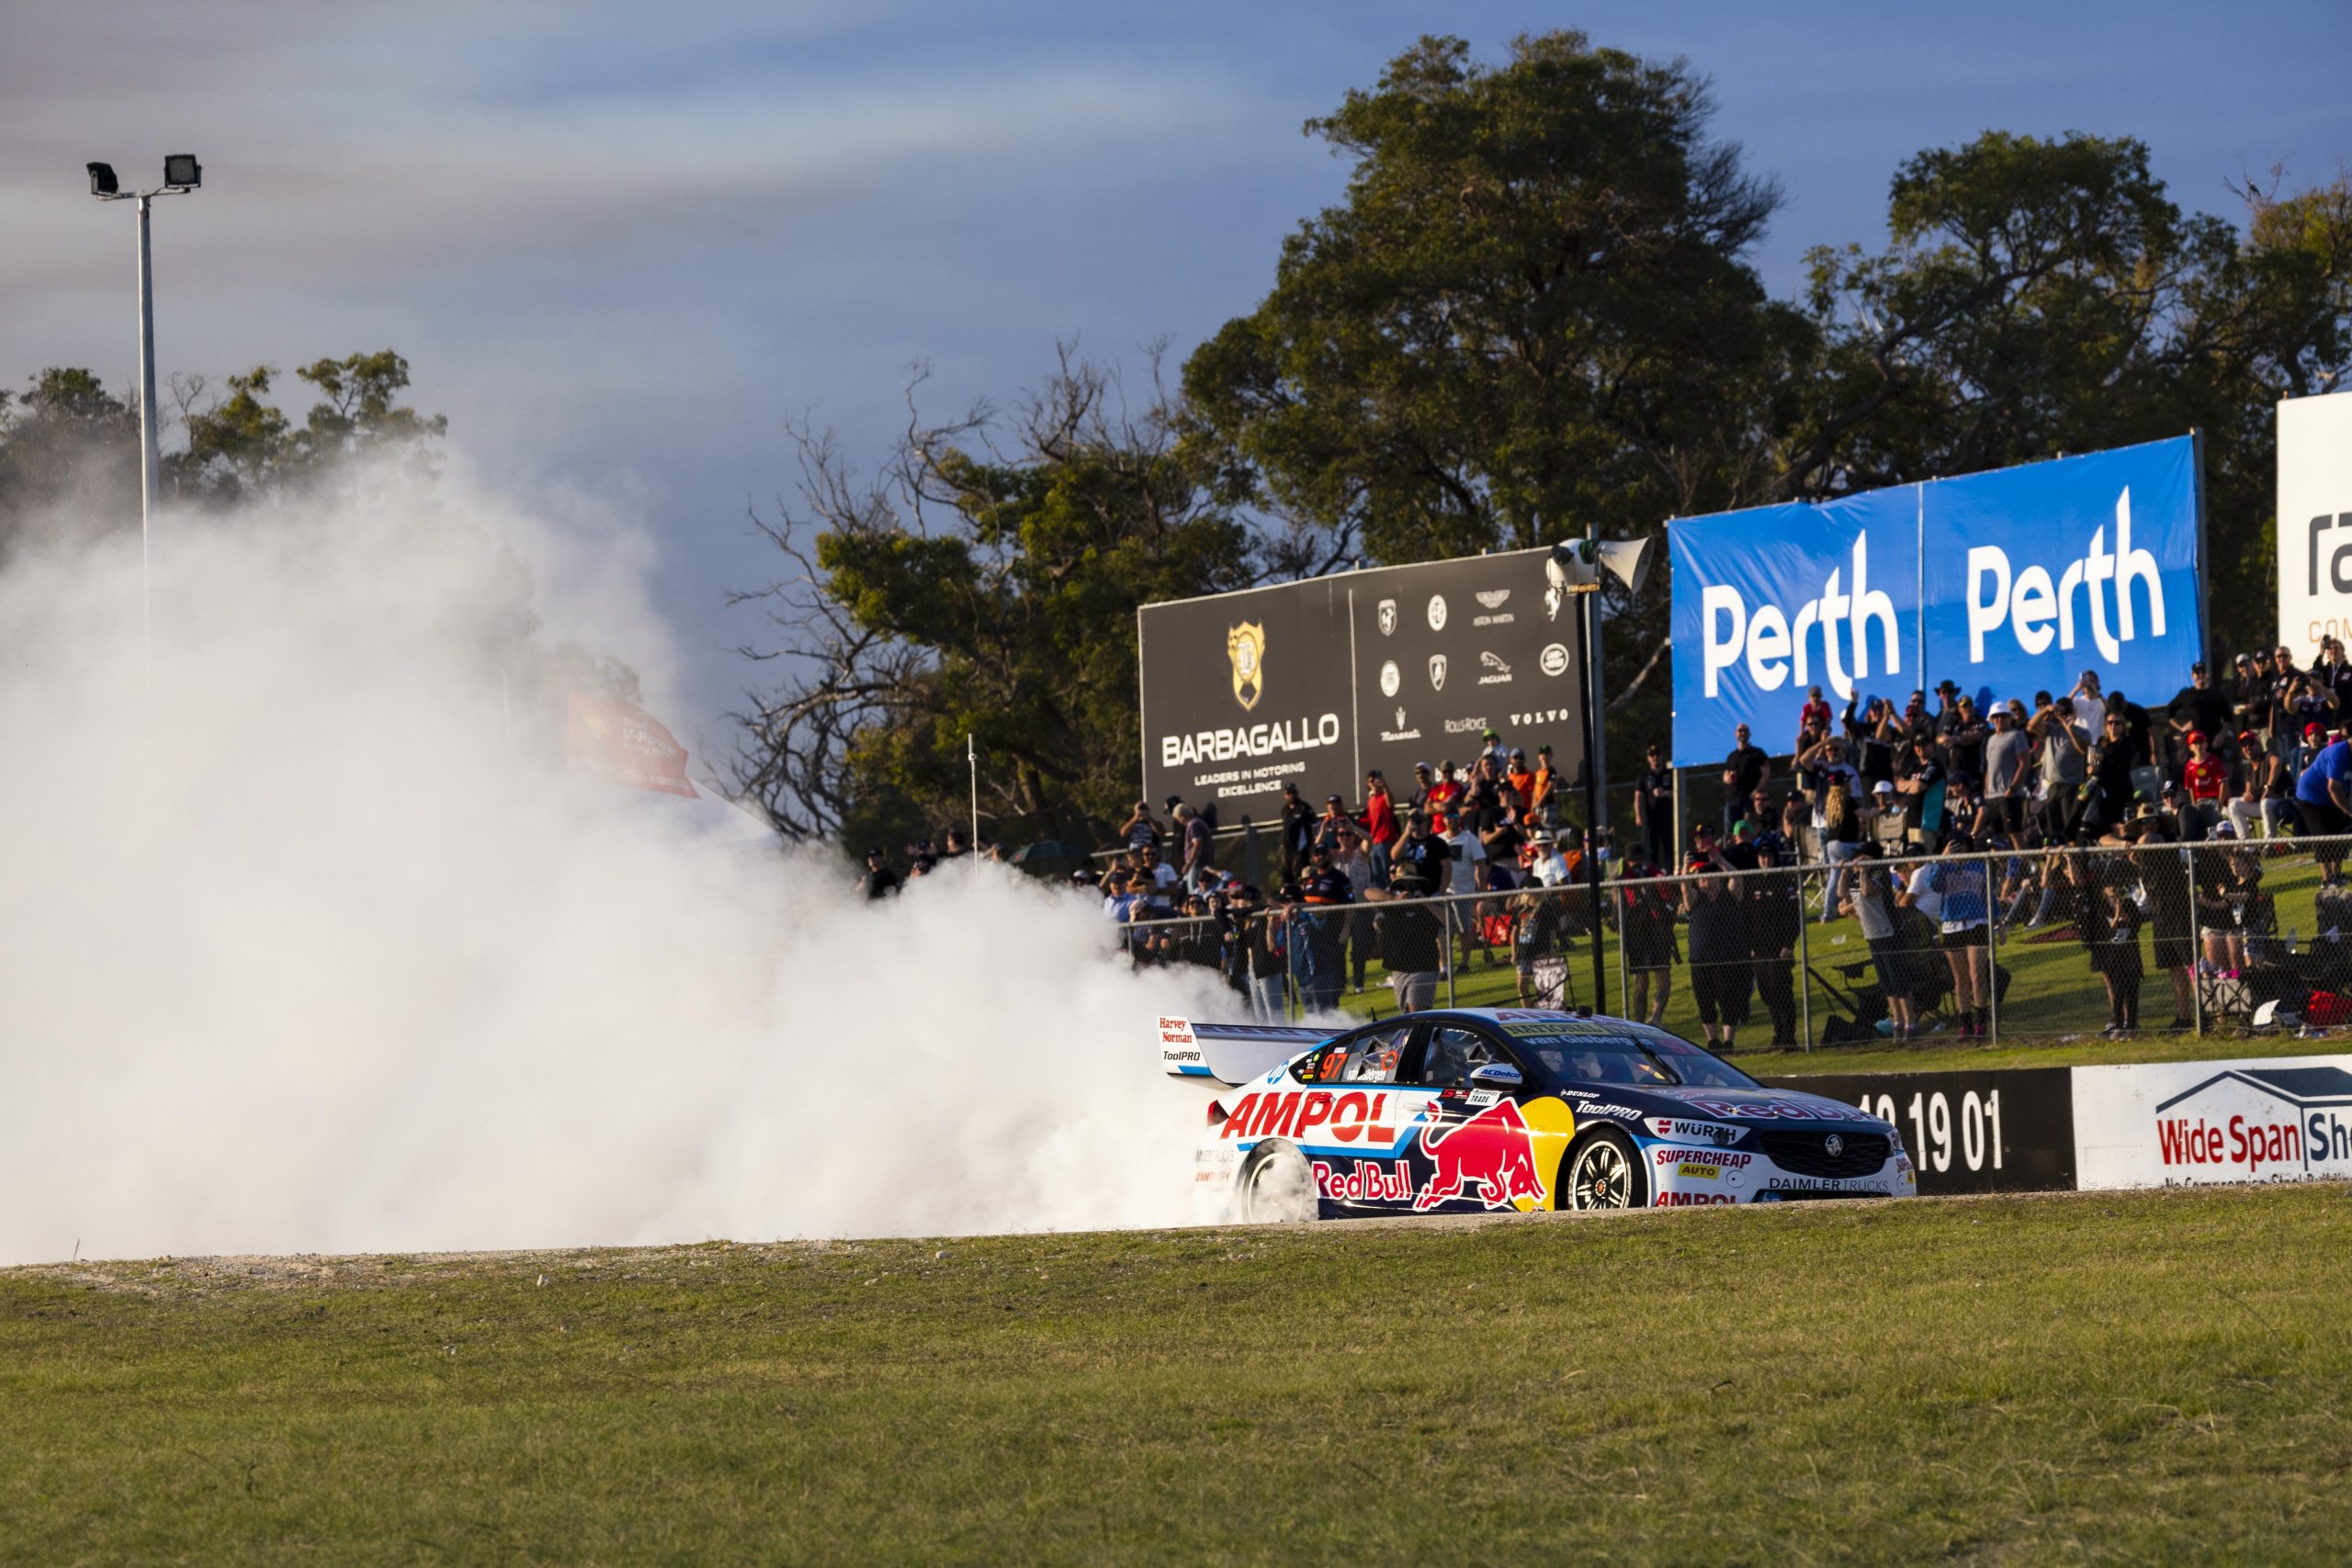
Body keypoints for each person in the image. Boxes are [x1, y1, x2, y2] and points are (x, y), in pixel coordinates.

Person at [1902, 832, 1991, 1039]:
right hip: (1952, 926)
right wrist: (1943, 858)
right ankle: (1965, 1022)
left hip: (1976, 922)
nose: (1958, 853)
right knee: (1960, 979)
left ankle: (1982, 1021)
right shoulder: (1943, 867)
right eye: (1954, 848)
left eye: (1961, 848)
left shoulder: (1979, 866)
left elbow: (1989, 896)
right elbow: (1935, 884)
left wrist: (1997, 921)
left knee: (1977, 974)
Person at [2125, 805, 2196, 1031]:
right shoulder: (2140, 854)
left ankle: (2206, 1015)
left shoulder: (2163, 839)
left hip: (2178, 910)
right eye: (2144, 823)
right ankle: (2184, 1017)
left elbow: (2150, 841)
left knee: (2190, 964)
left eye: (2153, 821)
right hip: (2159, 913)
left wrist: (2138, 845)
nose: (2149, 826)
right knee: (2173, 966)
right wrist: (2131, 852)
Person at [1682, 840, 1751, 1052]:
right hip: (1701, 958)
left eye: (1711, 876)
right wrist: (1686, 867)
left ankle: (1728, 1041)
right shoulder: (1696, 899)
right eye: (1703, 877)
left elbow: (1737, 877)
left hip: (1726, 956)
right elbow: (1684, 887)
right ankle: (1712, 1040)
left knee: (1727, 999)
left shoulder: (1728, 896)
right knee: (1705, 1000)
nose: (1707, 880)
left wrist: (1720, 861)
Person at [1840, 845, 1915, 1041]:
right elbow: (1842, 893)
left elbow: (1867, 891)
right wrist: (1844, 872)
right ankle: (1897, 1020)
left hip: (1889, 935)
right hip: (1872, 936)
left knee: (1898, 981)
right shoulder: (1856, 876)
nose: (1856, 860)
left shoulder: (1879, 873)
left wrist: (1864, 870)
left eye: (1860, 857)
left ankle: (1910, 1022)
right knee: (1886, 983)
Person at [1615, 852, 1679, 1025]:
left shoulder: (1625, 879)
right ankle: (1655, 1017)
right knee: (1661, 980)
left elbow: (1616, 909)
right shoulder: (1652, 875)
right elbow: (1671, 901)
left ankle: (1640, 1022)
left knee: (1642, 983)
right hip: (1656, 933)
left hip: (1639, 935)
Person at [1374, 885, 1447, 1014]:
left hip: (1423, 967)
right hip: (1398, 967)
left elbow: (1450, 921)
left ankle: (1418, 1034)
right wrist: (1394, 899)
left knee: (1416, 1013)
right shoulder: (1393, 906)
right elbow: (1368, 892)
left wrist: (1425, 902)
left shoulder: (1428, 905)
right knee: (1406, 1013)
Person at [2294, 729, 2352, 886]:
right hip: (2310, 796)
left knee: (2340, 832)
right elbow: (2333, 787)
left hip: (2330, 798)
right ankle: (2327, 880)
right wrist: (2348, 810)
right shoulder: (2339, 753)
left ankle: (2337, 875)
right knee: (2323, 836)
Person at [2030, 694, 2090, 841]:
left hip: (2071, 786)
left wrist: (2068, 727)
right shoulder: (2051, 729)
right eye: (2062, 714)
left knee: (2069, 830)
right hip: (2052, 786)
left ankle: (2074, 863)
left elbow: (2083, 749)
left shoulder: (2083, 732)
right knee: (2054, 832)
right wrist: (2046, 710)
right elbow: (2031, 726)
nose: (2064, 716)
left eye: (2068, 713)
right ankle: (2060, 862)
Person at [1721, 724, 1769, 833]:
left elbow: (1766, 772)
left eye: (1745, 731)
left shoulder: (1757, 753)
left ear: (1749, 734)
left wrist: (1757, 791)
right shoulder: (1731, 756)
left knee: (1748, 829)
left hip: (1748, 799)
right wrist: (1727, 778)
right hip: (1732, 799)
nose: (1743, 733)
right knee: (1730, 832)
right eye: (1740, 730)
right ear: (1735, 734)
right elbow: (1725, 774)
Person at [2180, 731, 2227, 840]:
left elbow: (2223, 782)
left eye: (2201, 742)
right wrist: (2193, 804)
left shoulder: (2214, 760)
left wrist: (2220, 802)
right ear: (2190, 747)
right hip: (2200, 801)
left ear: (2206, 744)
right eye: (2195, 744)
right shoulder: (2189, 766)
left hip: (2214, 799)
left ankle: (2214, 839)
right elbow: (2190, 787)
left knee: (2215, 814)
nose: (2198, 746)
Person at [1634, 744, 1675, 866]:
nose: (1655, 757)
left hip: (1666, 817)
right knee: (1651, 851)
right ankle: (1652, 877)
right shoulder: (1644, 776)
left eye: (1657, 754)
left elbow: (1678, 793)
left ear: (1661, 756)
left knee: (1669, 849)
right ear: (1648, 758)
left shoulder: (1669, 774)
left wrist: (1665, 793)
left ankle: (1670, 874)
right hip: (1650, 819)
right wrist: (1638, 815)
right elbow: (1638, 797)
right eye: (1652, 755)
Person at [1277, 782, 1315, 882]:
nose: (1291, 795)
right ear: (1285, 795)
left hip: (1300, 848)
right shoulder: (1285, 809)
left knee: (1299, 874)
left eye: (1293, 792)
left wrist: (1311, 845)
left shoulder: (1304, 807)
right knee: (1286, 874)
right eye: (1288, 793)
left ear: (1297, 793)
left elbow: (1314, 823)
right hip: (1286, 848)